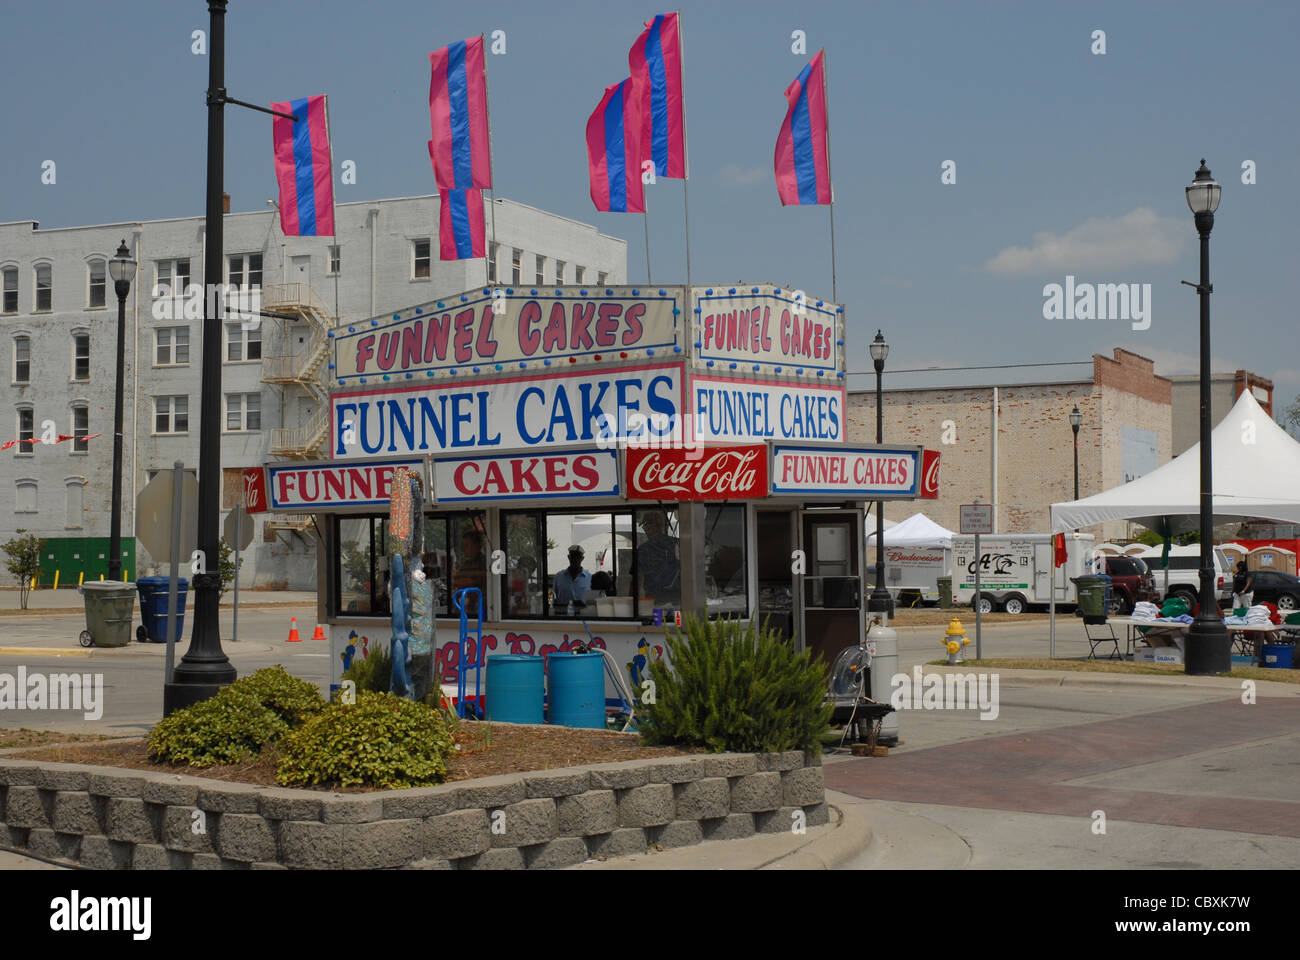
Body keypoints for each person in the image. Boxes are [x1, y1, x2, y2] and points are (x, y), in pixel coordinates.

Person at [638, 511, 680, 605]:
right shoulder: (677, 543)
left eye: (644, 526)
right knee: (678, 619)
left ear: (650, 527)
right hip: (679, 598)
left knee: (658, 619)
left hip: (655, 600)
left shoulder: (644, 549)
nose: (644, 529)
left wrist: (633, 605)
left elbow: (638, 579)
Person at [552, 545, 592, 613]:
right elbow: (553, 598)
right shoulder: (558, 577)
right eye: (573, 556)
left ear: (582, 558)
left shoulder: (589, 578)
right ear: (569, 557)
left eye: (578, 557)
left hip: (583, 616)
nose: (575, 559)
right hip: (562, 617)